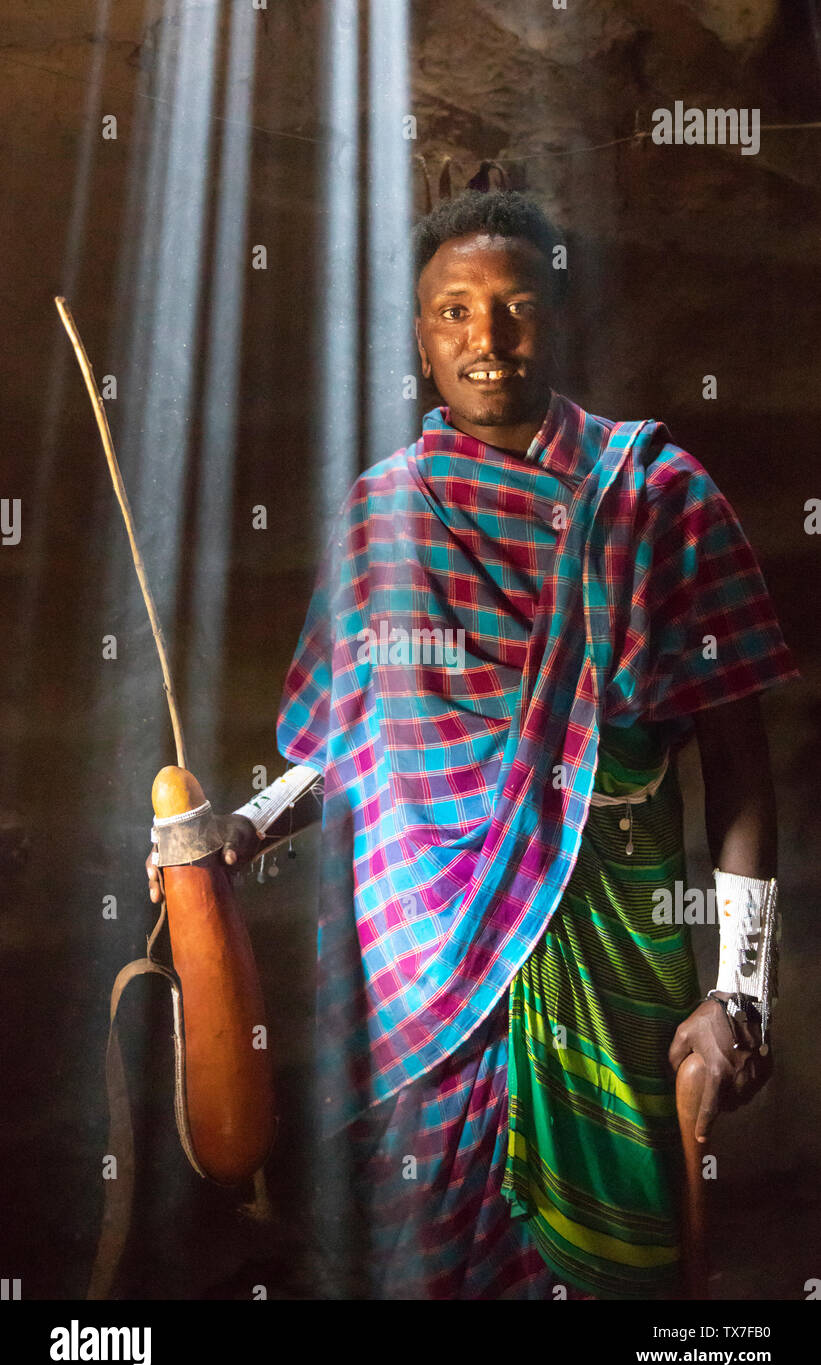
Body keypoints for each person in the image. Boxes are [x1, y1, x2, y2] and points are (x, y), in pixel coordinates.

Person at [147, 189, 799, 1300]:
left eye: (514, 306)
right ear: (417, 333)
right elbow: (354, 745)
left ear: (558, 317)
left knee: (621, 1263)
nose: (484, 339)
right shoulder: (382, 520)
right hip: (421, 973)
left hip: (614, 952)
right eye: (451, 310)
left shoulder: (658, 499)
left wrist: (741, 993)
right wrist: (243, 829)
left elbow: (737, 757)